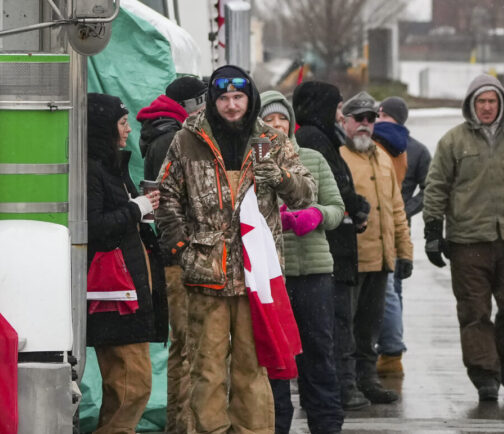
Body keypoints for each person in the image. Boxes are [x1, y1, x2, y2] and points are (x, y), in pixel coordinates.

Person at [156, 66, 315, 434]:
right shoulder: (187, 139)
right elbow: (166, 196)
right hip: (204, 273)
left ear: (250, 99)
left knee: (251, 366)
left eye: (238, 98)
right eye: (223, 98)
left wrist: (280, 177)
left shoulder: (271, 139)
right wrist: (182, 246)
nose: (231, 106)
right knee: (206, 368)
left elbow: (307, 192)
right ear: (213, 99)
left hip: (255, 273)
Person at [422, 74, 504, 403]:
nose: (487, 107)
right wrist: (433, 232)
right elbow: (436, 187)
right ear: (471, 105)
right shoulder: (453, 142)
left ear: (502, 105)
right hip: (468, 241)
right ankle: (485, 374)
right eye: (481, 101)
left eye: (493, 101)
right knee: (474, 311)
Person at [259, 91, 346, 434]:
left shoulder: (312, 158)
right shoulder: (254, 160)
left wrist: (315, 215)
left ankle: (326, 424)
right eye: (269, 119)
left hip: (313, 273)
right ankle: (276, 423)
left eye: (282, 118)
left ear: (292, 122)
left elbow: (338, 209)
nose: (277, 125)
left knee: (319, 352)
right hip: (271, 275)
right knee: (275, 357)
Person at [87, 93, 168, 434]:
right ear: (103, 128)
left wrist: (142, 209)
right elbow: (94, 228)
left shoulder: (112, 166)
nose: (128, 130)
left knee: (128, 387)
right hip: (115, 296)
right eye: (122, 123)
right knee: (130, 388)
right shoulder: (93, 171)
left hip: (127, 292)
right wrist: (137, 208)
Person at [290, 81, 370, 411]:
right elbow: (330, 190)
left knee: (339, 322)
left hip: (336, 247)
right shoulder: (314, 140)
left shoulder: (324, 139)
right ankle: (338, 390)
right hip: (327, 251)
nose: (341, 115)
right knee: (332, 325)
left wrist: (355, 206)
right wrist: (354, 203)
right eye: (337, 107)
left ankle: (341, 387)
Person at [137, 75, 205, 434]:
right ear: (192, 104)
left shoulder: (161, 132)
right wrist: (182, 245)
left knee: (184, 348)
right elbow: (170, 201)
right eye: (204, 100)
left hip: (174, 255)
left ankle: (182, 423)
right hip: (179, 259)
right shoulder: (171, 138)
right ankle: (184, 425)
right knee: (189, 347)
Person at [336, 92, 412, 406]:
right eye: (359, 119)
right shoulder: (338, 156)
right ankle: (347, 384)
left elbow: (396, 209)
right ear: (346, 121)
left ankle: (367, 380)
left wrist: (404, 252)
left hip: (381, 259)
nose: (365, 125)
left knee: (370, 327)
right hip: (351, 260)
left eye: (370, 119)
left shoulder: (382, 157)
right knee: (347, 327)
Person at [373, 96, 429, 378]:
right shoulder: (372, 142)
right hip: (392, 222)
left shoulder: (415, 150)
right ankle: (389, 349)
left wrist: (405, 207)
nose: (378, 117)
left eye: (382, 113)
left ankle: (389, 349)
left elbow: (429, 187)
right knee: (391, 288)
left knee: (391, 288)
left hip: (396, 224)